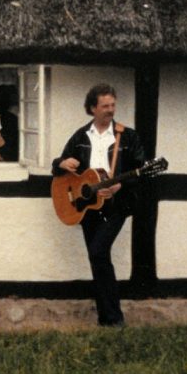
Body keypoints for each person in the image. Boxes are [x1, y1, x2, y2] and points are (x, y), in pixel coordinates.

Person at [51, 83, 146, 327]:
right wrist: (62, 162)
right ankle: (107, 318)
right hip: (88, 205)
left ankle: (114, 318)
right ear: (93, 108)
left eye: (113, 105)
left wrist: (120, 186)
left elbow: (140, 169)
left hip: (116, 206)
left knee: (98, 252)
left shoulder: (128, 136)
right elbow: (59, 166)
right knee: (98, 259)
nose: (110, 110)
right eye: (105, 106)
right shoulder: (81, 136)